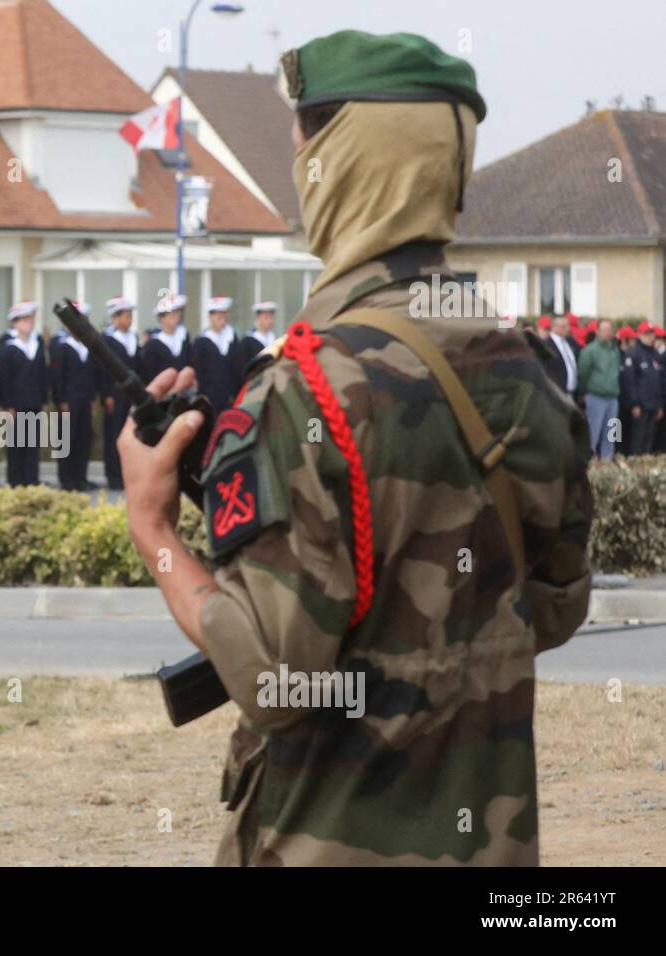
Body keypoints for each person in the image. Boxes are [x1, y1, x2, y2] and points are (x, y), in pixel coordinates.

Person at [118, 31, 592, 866]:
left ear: (347, 159)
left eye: (304, 139)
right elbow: (552, 611)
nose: (296, 163)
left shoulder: (305, 385)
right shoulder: (527, 368)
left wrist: (155, 526)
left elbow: (272, 678)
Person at [0, 301, 47, 487]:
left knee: (32, 443)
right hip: (16, 405)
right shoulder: (8, 348)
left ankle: (31, 479)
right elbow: (4, 379)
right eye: (24, 320)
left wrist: (44, 400)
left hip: (34, 402)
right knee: (16, 444)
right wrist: (8, 405)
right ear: (15, 323)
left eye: (30, 319)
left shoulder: (37, 344)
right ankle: (15, 481)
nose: (29, 323)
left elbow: (42, 374)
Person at [49, 301, 97, 491]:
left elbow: (93, 373)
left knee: (83, 438)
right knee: (67, 439)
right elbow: (57, 377)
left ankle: (81, 477)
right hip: (69, 400)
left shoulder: (88, 344)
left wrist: (93, 398)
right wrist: (60, 400)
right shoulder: (60, 345)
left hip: (85, 399)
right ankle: (66, 478)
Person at [97, 296, 138, 491]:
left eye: (130, 315)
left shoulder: (133, 337)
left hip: (131, 395)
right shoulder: (107, 340)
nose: (129, 319)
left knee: (131, 434)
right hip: (115, 394)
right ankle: (113, 475)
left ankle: (128, 473)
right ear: (115, 318)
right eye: (125, 315)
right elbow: (102, 369)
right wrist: (106, 394)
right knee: (114, 435)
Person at [576, 319, 620, 460]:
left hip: (613, 397)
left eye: (610, 330)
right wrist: (584, 393)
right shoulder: (590, 351)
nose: (608, 333)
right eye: (605, 330)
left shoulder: (615, 350)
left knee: (612, 433)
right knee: (593, 432)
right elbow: (583, 374)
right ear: (597, 332)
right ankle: (590, 461)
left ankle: (608, 461)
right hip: (596, 397)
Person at [621, 320, 663, 456]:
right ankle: (635, 466)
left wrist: (660, 405)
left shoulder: (654, 355)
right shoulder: (633, 354)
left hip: (653, 404)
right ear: (640, 335)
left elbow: (659, 381)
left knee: (649, 438)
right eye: (647, 334)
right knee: (637, 438)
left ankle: (645, 466)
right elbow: (629, 381)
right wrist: (634, 404)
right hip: (641, 405)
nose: (651, 337)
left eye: (652, 334)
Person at [138, 294, 189, 383]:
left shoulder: (184, 339)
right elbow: (148, 373)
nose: (177, 318)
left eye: (178, 315)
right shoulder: (152, 345)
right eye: (172, 315)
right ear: (162, 318)